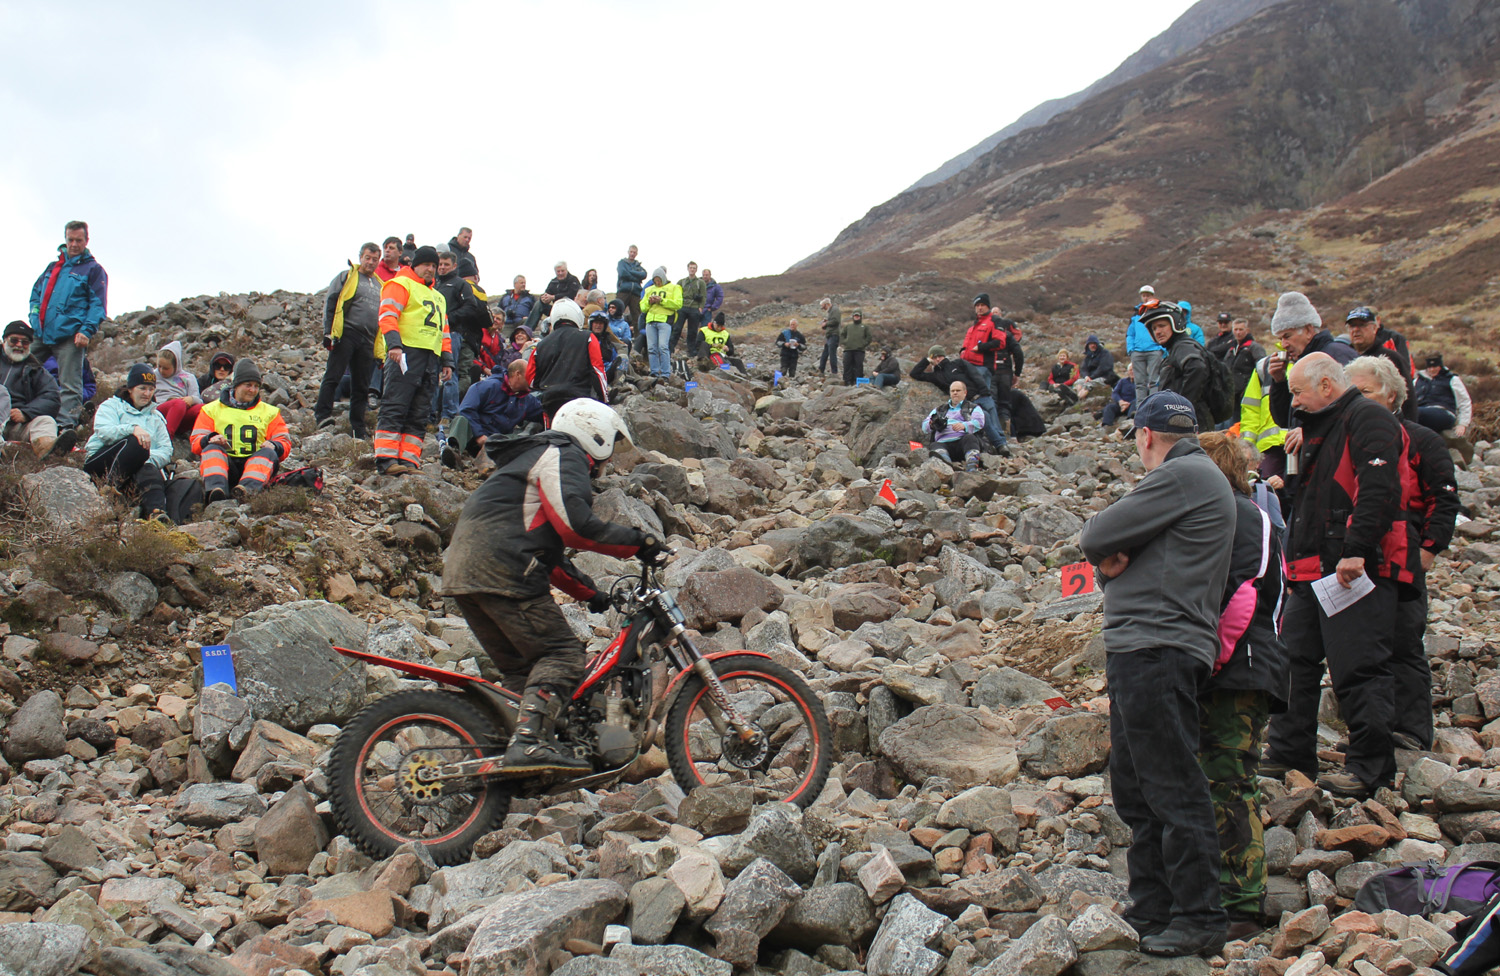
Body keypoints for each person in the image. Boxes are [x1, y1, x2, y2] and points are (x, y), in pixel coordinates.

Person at [1079, 392, 1235, 957]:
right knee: (1137, 785)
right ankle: (1153, 905)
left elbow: (1096, 536)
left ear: (1145, 436)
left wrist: (1109, 558)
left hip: (1157, 647)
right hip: (1145, 646)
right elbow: (1112, 563)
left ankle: (1199, 915)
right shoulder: (1194, 479)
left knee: (1170, 784)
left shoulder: (1182, 475)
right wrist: (1111, 565)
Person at [441, 400, 667, 774]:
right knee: (562, 656)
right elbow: (576, 527)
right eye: (610, 445)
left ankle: (511, 756)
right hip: (504, 570)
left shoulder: (530, 459)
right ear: (595, 434)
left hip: (466, 574)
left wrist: (592, 595)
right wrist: (639, 543)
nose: (609, 459)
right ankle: (528, 745)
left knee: (524, 672)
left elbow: (550, 555)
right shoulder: (562, 453)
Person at [1262, 353, 1409, 799]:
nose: (1294, 402)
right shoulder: (1320, 424)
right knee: (1293, 661)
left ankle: (1370, 768)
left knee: (1359, 667)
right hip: (1311, 570)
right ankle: (1289, 751)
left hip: (1351, 570)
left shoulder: (1368, 419)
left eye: (1299, 392)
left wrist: (1356, 550)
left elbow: (1379, 490)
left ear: (1326, 385)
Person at [1194, 431, 1290, 940]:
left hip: (1238, 667)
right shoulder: (1239, 512)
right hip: (1236, 664)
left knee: (1230, 779)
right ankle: (1220, 892)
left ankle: (1243, 904)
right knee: (1217, 776)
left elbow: (1243, 596)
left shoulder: (1244, 515)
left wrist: (1209, 660)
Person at [1345, 355, 1460, 752]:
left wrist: (1429, 549)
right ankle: (1369, 730)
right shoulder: (1340, 439)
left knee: (1404, 641)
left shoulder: (1422, 439)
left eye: (1366, 392)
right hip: (1354, 558)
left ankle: (1411, 730)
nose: (1358, 400)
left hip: (1404, 556)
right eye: (1352, 392)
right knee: (1360, 646)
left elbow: (1445, 498)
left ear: (1391, 394)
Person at [374, 245, 452, 476]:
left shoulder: (438, 297)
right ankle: (386, 459)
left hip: (430, 359)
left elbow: (444, 331)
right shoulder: (400, 284)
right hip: (406, 354)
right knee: (396, 405)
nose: (431, 269)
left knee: (420, 412)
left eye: (434, 265)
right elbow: (388, 316)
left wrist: (447, 361)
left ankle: (409, 461)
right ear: (415, 265)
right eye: (426, 264)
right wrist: (394, 345)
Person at [29, 220, 107, 436]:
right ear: (65, 239)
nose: (74, 244)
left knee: (70, 384)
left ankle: (65, 427)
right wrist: (34, 319)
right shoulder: (52, 267)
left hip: (70, 336)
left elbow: (98, 305)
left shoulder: (94, 270)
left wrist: (86, 330)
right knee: (23, 371)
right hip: (41, 333)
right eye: (70, 239)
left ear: (86, 241)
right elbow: (35, 295)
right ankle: (18, 416)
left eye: (78, 240)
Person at [191, 359, 292, 502]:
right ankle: (216, 491)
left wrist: (275, 445)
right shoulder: (211, 410)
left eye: (256, 386)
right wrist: (209, 439)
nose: (253, 390)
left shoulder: (270, 412)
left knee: (269, 453)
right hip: (226, 466)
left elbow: (284, 442)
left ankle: (246, 491)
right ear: (236, 385)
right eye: (248, 385)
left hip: (254, 468)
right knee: (211, 448)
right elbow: (195, 442)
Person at [84, 364, 174, 522]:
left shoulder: (156, 417)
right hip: (101, 465)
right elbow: (104, 432)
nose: (147, 394)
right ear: (131, 389)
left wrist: (143, 459)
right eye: (142, 388)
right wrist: (132, 429)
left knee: (148, 467)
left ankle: (156, 513)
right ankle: (109, 488)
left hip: (136, 471)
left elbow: (166, 450)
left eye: (151, 389)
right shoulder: (111, 406)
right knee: (137, 443)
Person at [1264, 291, 1356, 433]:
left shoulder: (1336, 355)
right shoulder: (1300, 363)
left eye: (1287, 336)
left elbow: (1352, 411)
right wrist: (1279, 381)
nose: (1283, 345)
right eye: (1280, 339)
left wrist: (1309, 433)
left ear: (1308, 330)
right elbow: (1285, 420)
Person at [315, 243, 382, 438]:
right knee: (333, 375)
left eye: (375, 259)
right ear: (360, 257)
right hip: (347, 333)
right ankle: (322, 415)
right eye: (367, 258)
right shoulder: (347, 276)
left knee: (362, 385)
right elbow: (332, 301)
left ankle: (357, 427)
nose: (370, 262)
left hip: (369, 339)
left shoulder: (381, 285)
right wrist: (328, 332)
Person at [444, 359, 544, 470]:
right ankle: (454, 451)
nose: (532, 380)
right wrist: (479, 435)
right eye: (529, 375)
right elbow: (467, 409)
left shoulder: (527, 400)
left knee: (520, 439)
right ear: (518, 374)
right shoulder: (488, 386)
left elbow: (543, 414)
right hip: (472, 437)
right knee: (460, 420)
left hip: (496, 444)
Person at [527, 299, 607, 418]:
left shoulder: (540, 345)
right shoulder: (588, 337)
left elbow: (531, 379)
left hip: (550, 401)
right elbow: (598, 371)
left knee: (551, 429)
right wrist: (604, 399)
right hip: (578, 398)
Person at [1, 321, 68, 457]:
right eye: (14, 340)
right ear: (4, 340)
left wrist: (26, 413)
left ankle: (48, 451)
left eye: (25, 342)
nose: (19, 345)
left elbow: (52, 397)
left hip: (16, 425)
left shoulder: (37, 370)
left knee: (46, 421)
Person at [1146, 301, 1213, 429]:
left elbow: (1197, 367)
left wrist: (1182, 407)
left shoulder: (1183, 346)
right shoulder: (1174, 349)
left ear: (1175, 324)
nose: (1158, 332)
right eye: (1154, 328)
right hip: (1189, 420)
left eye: (1162, 326)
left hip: (1193, 421)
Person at [961, 294, 1012, 454]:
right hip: (969, 367)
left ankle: (999, 440)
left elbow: (1000, 342)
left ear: (988, 306)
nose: (980, 307)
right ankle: (987, 437)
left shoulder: (994, 321)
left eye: (982, 305)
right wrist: (962, 352)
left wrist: (981, 347)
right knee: (975, 402)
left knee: (985, 401)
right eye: (977, 305)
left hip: (983, 367)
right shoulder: (975, 324)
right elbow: (966, 344)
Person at [1344, 307, 1416, 420]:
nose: (1356, 330)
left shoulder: (1391, 358)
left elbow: (1408, 399)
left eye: (1362, 325)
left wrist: (1407, 426)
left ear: (1374, 328)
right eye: (1352, 326)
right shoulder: (1345, 357)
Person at [436, 251, 491, 391]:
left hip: (458, 335)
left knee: (454, 373)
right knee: (447, 373)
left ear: (454, 266)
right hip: (444, 334)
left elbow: (475, 310)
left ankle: (453, 403)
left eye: (446, 264)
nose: (442, 267)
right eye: (440, 264)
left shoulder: (461, 285)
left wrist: (450, 318)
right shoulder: (436, 284)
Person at [1238, 358, 1287, 481]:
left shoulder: (1317, 360)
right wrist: (1246, 446)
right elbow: (1251, 409)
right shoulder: (1264, 366)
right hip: (1269, 448)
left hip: (1304, 445)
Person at [922, 380, 985, 472]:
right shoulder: (939, 410)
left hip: (963, 443)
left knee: (970, 438)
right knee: (934, 445)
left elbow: (980, 422)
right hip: (943, 444)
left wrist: (964, 425)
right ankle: (946, 465)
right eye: (953, 391)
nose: (955, 393)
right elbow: (924, 427)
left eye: (958, 390)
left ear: (965, 392)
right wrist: (932, 424)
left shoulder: (973, 407)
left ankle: (972, 466)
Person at [1414, 353, 1472, 446]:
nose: (1432, 369)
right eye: (1430, 367)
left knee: (1414, 413)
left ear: (1440, 367)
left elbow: (1464, 401)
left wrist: (1462, 424)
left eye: (1435, 367)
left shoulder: (1452, 379)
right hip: (1422, 411)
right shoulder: (1418, 381)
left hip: (1444, 414)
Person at [153, 341, 202, 439]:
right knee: (178, 403)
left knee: (202, 409)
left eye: (166, 368)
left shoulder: (188, 378)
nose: (161, 370)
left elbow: (199, 400)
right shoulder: (153, 375)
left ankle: (200, 439)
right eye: (159, 366)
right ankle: (165, 439)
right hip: (159, 412)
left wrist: (191, 399)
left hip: (180, 414)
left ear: (176, 366)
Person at [641, 267, 682, 379]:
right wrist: (649, 302)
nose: (657, 282)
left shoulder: (674, 288)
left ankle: (665, 373)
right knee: (651, 348)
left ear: (663, 278)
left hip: (665, 321)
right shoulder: (648, 290)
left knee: (663, 347)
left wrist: (662, 301)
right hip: (650, 321)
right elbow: (643, 307)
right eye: (655, 280)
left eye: (659, 280)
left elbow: (678, 304)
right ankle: (654, 371)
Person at [1126, 285, 1165, 397]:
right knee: (1139, 383)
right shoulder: (1136, 314)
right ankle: (1141, 407)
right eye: (1144, 296)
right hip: (1137, 352)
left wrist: (1161, 348)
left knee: (1154, 382)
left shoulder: (1158, 311)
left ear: (1152, 296)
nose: (1146, 298)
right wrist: (1131, 350)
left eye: (1148, 295)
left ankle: (1154, 404)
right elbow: (1130, 334)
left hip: (1154, 351)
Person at [1223, 319, 1265, 406]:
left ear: (1247, 330)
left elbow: (1262, 368)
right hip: (1231, 393)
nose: (1238, 332)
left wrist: (1248, 388)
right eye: (1236, 329)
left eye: (1241, 329)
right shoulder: (1231, 348)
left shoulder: (1254, 348)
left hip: (1247, 394)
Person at [676, 262, 707, 358]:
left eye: (694, 268)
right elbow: (676, 294)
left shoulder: (700, 283)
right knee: (677, 328)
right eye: (690, 268)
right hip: (682, 307)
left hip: (694, 307)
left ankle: (691, 351)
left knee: (693, 331)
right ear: (688, 269)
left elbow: (704, 296)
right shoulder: (681, 282)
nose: (692, 269)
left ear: (696, 270)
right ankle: (671, 347)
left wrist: (701, 307)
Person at [616, 245, 648, 326]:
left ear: (636, 254)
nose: (632, 254)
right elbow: (623, 273)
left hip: (635, 292)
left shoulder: (638, 265)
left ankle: (638, 334)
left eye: (634, 252)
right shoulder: (622, 263)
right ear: (628, 252)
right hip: (623, 291)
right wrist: (636, 277)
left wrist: (630, 272)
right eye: (631, 252)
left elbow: (644, 274)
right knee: (617, 312)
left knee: (637, 317)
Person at [840, 309, 872, 386]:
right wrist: (845, 342)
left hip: (859, 350)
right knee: (847, 365)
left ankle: (857, 382)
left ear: (860, 317)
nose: (856, 317)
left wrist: (863, 344)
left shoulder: (865, 327)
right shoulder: (848, 326)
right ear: (853, 317)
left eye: (858, 316)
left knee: (858, 366)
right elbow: (842, 335)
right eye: (855, 316)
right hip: (848, 349)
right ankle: (847, 381)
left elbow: (869, 337)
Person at [817, 298, 841, 375]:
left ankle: (834, 372)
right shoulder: (831, 311)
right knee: (825, 353)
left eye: (823, 307)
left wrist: (826, 323)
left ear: (827, 304)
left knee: (832, 353)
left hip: (834, 335)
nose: (823, 309)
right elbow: (832, 321)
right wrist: (826, 323)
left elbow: (836, 321)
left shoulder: (835, 310)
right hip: (830, 335)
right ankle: (821, 369)